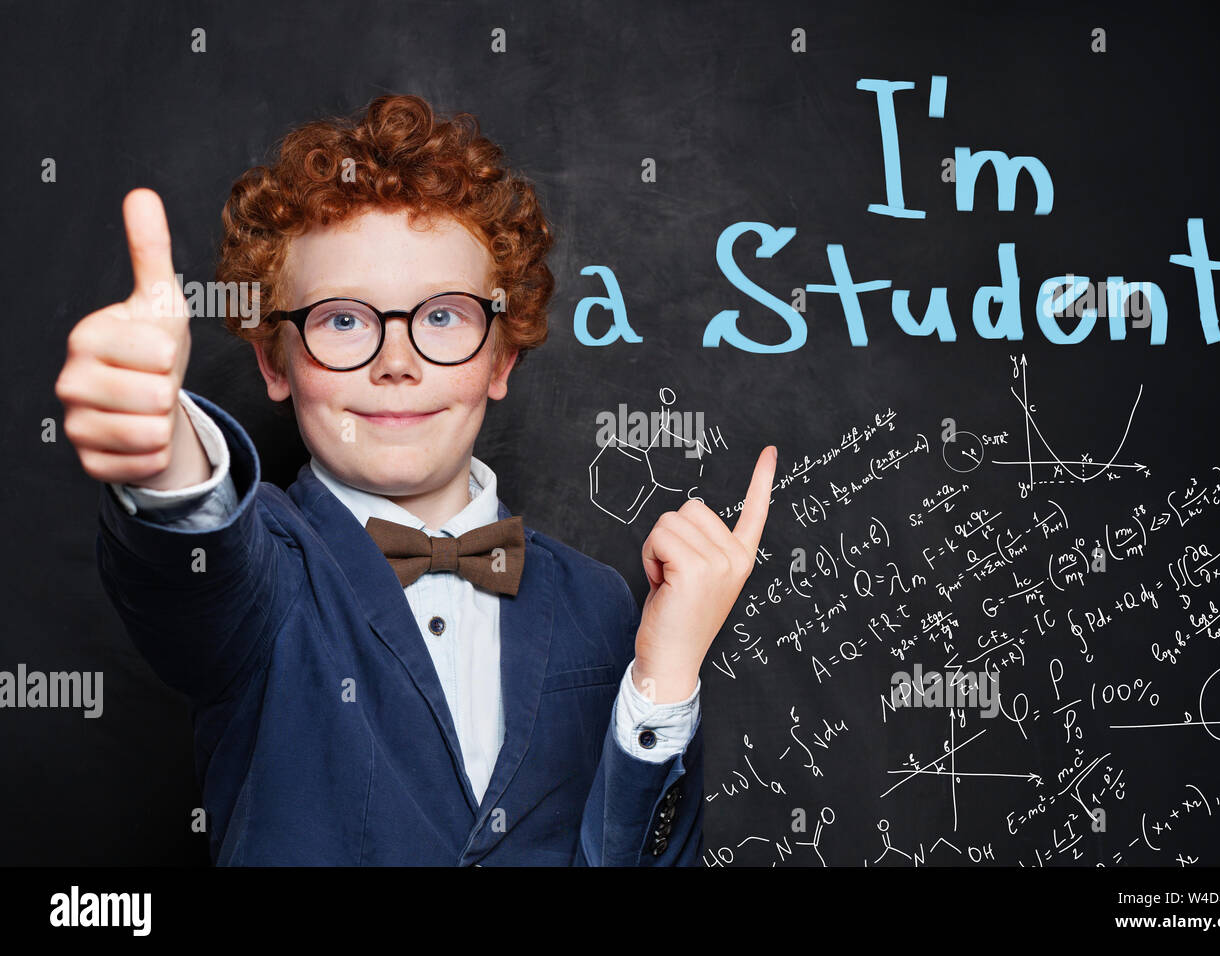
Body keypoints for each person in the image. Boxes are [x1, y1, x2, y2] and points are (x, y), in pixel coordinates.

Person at [55, 94, 776, 865]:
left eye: (441, 317)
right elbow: (193, 563)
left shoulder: (598, 603)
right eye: (341, 319)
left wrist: (664, 676)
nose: (396, 362)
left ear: (501, 358)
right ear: (275, 359)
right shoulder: (264, 571)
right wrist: (162, 445)